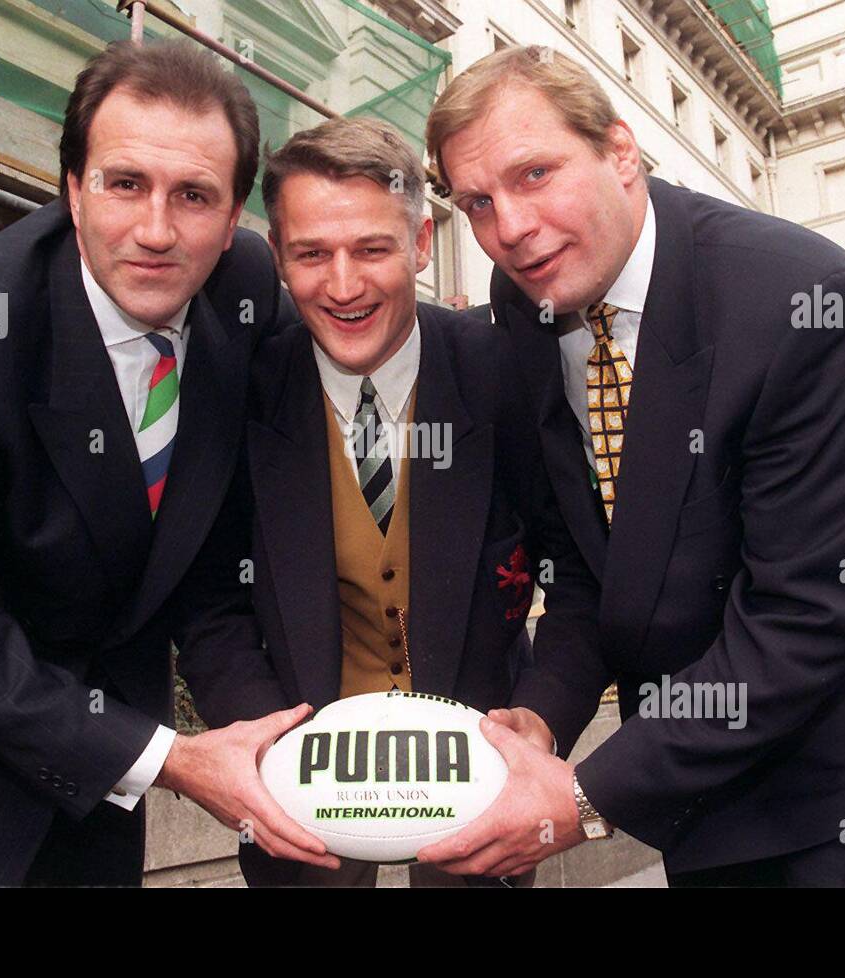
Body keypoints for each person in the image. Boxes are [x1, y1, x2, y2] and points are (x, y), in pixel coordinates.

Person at [417, 45, 845, 887]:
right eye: (477, 201)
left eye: (535, 174)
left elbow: (806, 617)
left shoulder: (805, 306)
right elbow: (595, 567)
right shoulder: (524, 298)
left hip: (838, 787)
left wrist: (585, 798)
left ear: (621, 152)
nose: (510, 227)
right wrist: (541, 718)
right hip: (687, 790)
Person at [0, 40, 337, 887]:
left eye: (193, 196)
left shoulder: (247, 293)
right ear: (73, 190)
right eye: (124, 184)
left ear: (232, 220)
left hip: (114, 783)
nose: (155, 231)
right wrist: (173, 759)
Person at [222, 117, 599, 887]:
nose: (344, 284)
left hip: (480, 797)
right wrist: (265, 741)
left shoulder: (503, 373)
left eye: (371, 248)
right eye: (311, 254)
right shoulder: (241, 389)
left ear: (422, 243)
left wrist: (541, 718)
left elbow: (580, 575)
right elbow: (209, 599)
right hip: (297, 801)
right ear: (277, 256)